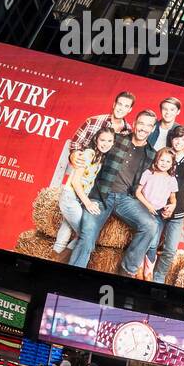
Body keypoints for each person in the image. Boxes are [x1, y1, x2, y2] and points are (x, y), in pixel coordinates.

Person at [69, 109, 160, 275]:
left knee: (151, 225)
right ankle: (73, 275)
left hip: (126, 199)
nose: (143, 128)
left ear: (153, 129)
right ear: (134, 124)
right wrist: (75, 155)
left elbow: (159, 177)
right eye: (141, 123)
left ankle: (127, 271)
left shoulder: (151, 154)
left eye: (148, 125)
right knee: (87, 235)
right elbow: (91, 148)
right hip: (101, 195)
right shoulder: (116, 139)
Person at [52, 127, 115, 254]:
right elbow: (75, 181)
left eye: (109, 141)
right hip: (70, 198)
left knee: (63, 236)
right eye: (102, 140)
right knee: (87, 234)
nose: (105, 144)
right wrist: (88, 203)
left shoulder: (100, 157)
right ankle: (62, 259)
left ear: (113, 143)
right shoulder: (88, 153)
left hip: (78, 199)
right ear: (96, 139)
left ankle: (56, 258)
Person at [152, 125, 184, 285]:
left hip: (178, 212)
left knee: (170, 249)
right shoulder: (164, 157)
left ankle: (158, 278)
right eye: (176, 138)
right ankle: (146, 273)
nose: (179, 142)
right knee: (151, 244)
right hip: (158, 208)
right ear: (171, 139)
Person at [135, 146, 179, 281]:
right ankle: (138, 267)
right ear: (156, 160)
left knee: (154, 243)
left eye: (168, 161)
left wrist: (172, 206)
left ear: (172, 164)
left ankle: (148, 272)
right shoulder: (149, 173)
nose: (164, 163)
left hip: (159, 213)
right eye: (162, 160)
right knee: (144, 238)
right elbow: (138, 192)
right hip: (144, 209)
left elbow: (173, 199)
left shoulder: (171, 179)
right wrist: (147, 205)